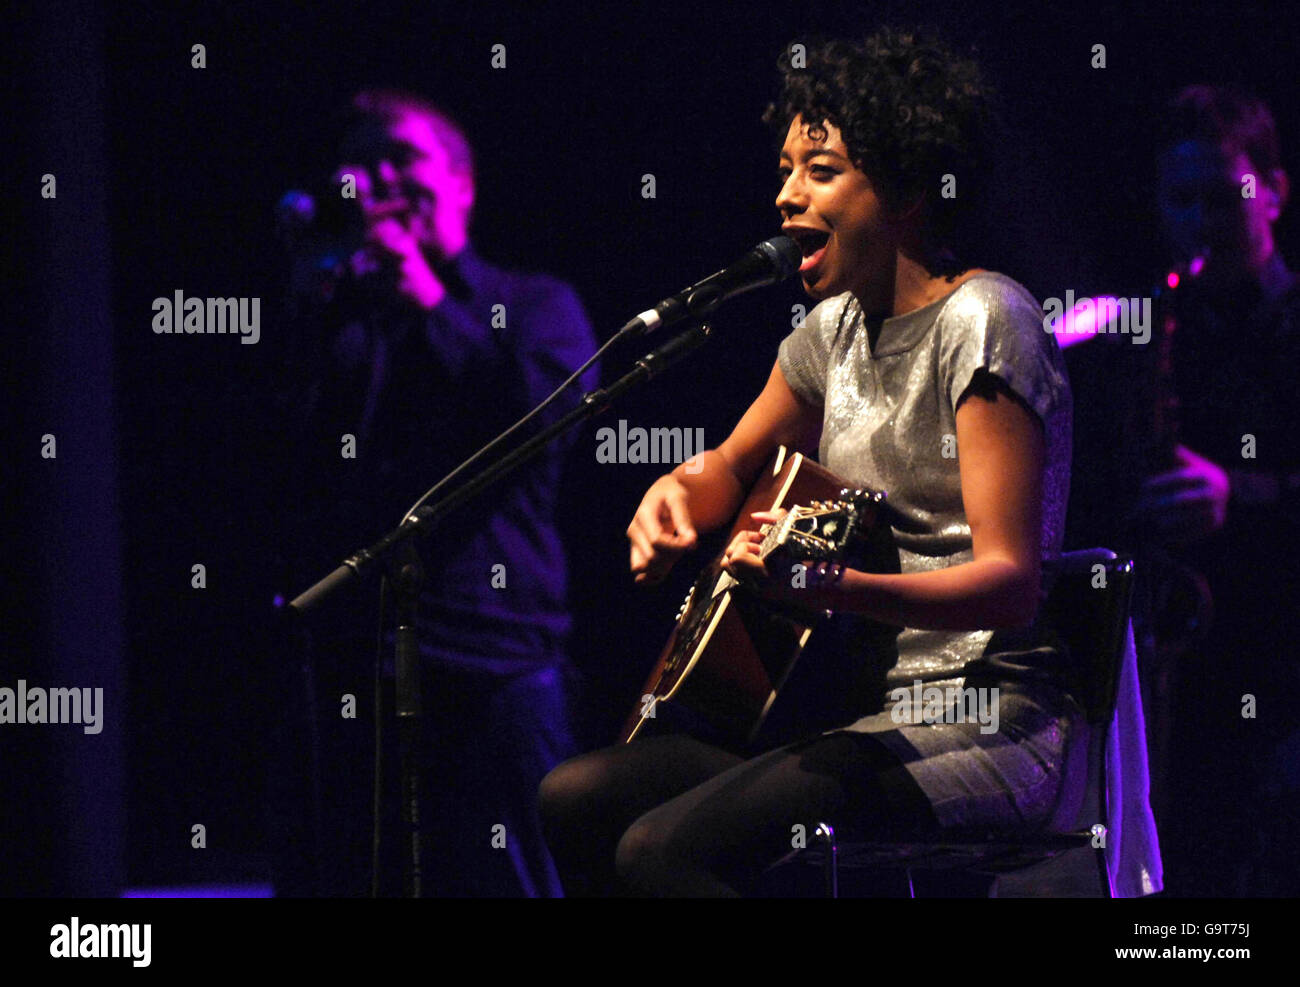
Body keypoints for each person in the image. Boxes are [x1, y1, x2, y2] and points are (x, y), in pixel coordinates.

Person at [539, 30, 1158, 897]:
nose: (785, 195)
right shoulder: (830, 333)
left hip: (989, 723)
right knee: (577, 799)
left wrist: (833, 587)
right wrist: (676, 489)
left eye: (820, 170)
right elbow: (727, 462)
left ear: (905, 186)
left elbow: (1012, 582)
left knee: (659, 851)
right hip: (863, 717)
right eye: (788, 167)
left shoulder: (984, 319)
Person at [272, 89, 598, 897]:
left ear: (461, 184)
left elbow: (536, 423)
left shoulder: (533, 305)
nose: (379, 179)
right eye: (365, 163)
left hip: (494, 658)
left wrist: (422, 290)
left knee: (514, 877)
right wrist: (304, 301)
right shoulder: (343, 316)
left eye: (403, 159)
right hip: (358, 660)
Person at [1141, 85, 1299, 896]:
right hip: (1193, 668)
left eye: (1222, 194)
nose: (1200, 218)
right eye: (1180, 199)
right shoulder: (1162, 327)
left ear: (1274, 189)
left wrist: (1238, 492)